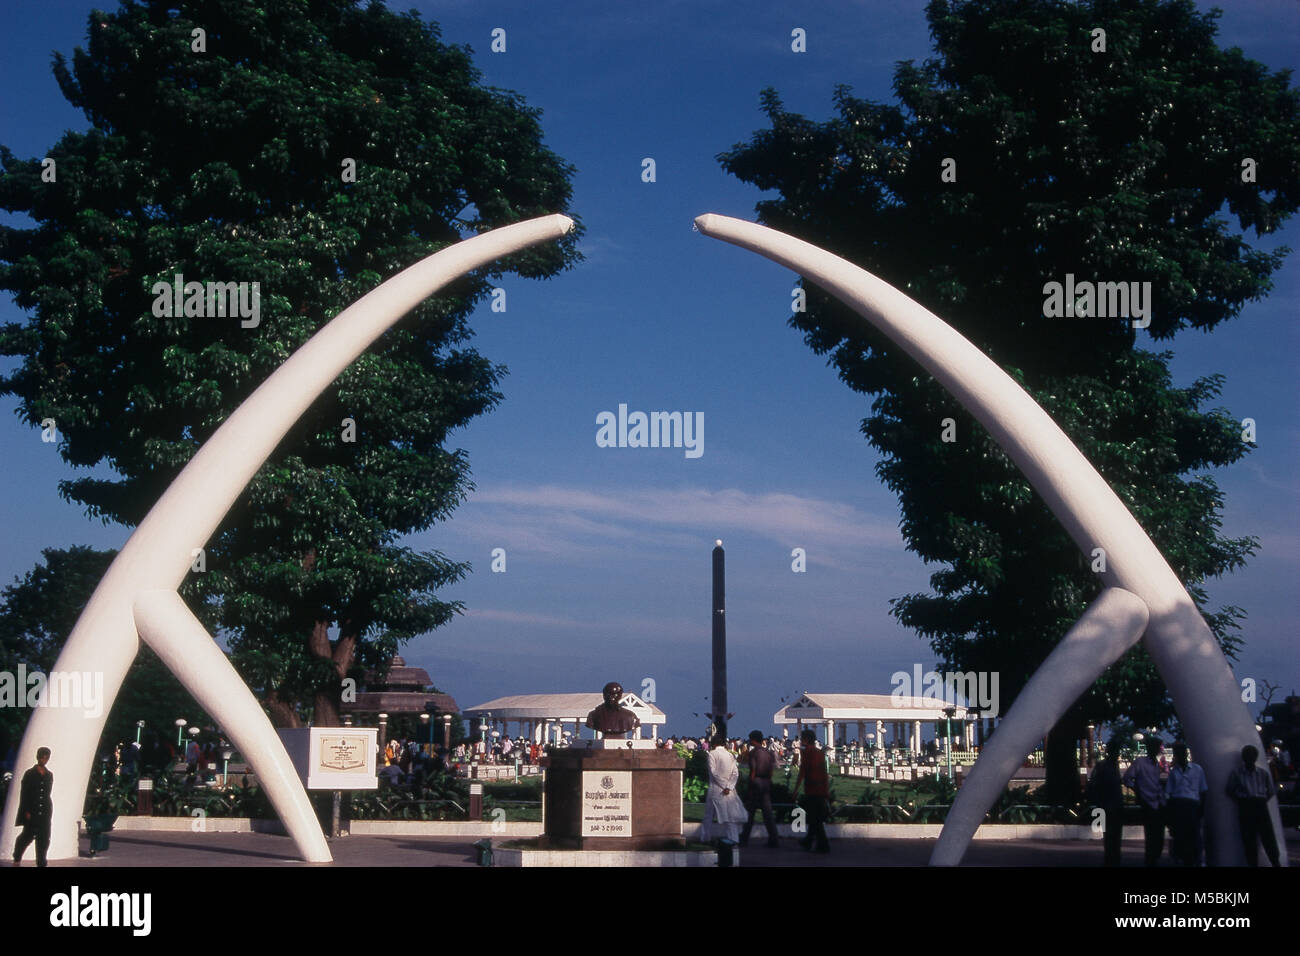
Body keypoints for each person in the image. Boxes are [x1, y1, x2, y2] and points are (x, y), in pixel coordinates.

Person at [1225, 744, 1281, 867]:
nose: (1249, 758)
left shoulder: (1262, 773)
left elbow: (1270, 791)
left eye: (1251, 756)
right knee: (1248, 838)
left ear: (1255, 758)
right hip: (1247, 805)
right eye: (1247, 756)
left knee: (1268, 837)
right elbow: (1229, 790)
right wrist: (1241, 801)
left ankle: (1275, 862)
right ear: (1243, 758)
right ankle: (1253, 863)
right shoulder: (1237, 773)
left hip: (1259, 804)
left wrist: (1260, 800)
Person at [1122, 738, 1166, 866]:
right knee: (1151, 836)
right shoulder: (1140, 763)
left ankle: (1154, 858)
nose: (1158, 750)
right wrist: (1137, 790)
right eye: (1156, 747)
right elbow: (1127, 778)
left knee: (1158, 836)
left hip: (1159, 803)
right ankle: (1150, 860)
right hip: (1147, 802)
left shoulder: (1158, 764)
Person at [1164, 742, 1207, 866]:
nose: (1179, 756)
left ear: (1186, 754)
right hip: (1179, 805)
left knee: (1194, 835)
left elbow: (1203, 790)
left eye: (1181, 753)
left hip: (1192, 805)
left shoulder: (1197, 770)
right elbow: (1169, 793)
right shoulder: (1173, 772)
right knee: (1181, 836)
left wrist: (1201, 809)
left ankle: (1195, 859)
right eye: (1177, 753)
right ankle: (1184, 859)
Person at [701, 732, 747, 845]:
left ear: (714, 744)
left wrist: (723, 785)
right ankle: (734, 839)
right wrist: (729, 786)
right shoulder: (730, 755)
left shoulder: (712, 754)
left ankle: (705, 838)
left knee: (708, 816)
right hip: (729, 791)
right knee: (730, 816)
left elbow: (713, 772)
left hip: (715, 789)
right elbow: (735, 773)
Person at [1086, 737, 1125, 866]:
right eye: (1115, 750)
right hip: (1107, 806)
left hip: (1115, 806)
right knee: (1109, 837)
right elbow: (1094, 785)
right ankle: (1111, 861)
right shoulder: (1103, 766)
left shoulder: (1112, 765)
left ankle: (1114, 860)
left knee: (1114, 837)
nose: (1117, 753)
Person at [790, 730, 830, 853]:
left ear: (806, 740)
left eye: (802, 739)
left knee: (814, 819)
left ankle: (822, 845)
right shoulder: (820, 753)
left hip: (812, 789)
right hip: (821, 789)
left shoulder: (806, 752)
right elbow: (824, 773)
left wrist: (796, 790)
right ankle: (809, 842)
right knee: (815, 818)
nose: (801, 741)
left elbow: (802, 772)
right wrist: (826, 791)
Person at [13, 746, 53, 867]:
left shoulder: (49, 775)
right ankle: (17, 857)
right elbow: (25, 793)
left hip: (45, 811)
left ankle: (41, 862)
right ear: (38, 757)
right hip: (32, 810)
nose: (44, 760)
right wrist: (26, 810)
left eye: (46, 758)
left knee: (44, 838)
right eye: (42, 757)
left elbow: (47, 792)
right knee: (27, 836)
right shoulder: (30, 774)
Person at [738, 730, 779, 848]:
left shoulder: (754, 753)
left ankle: (745, 837)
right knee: (768, 813)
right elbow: (771, 771)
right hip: (766, 783)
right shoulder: (768, 753)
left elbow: (753, 771)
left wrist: (750, 786)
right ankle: (774, 838)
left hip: (756, 783)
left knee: (750, 812)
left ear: (753, 740)